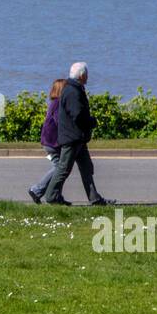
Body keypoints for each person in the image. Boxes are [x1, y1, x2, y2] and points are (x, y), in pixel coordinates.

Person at [43, 62, 114, 206]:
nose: (87, 76)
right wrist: (92, 122)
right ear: (82, 75)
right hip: (72, 138)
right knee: (64, 169)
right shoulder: (72, 91)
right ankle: (51, 196)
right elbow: (78, 115)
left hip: (78, 138)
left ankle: (94, 199)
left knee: (87, 168)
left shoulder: (74, 88)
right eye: (86, 74)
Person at [28, 78, 67, 203]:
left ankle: (56, 197)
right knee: (59, 168)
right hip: (52, 142)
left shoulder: (55, 103)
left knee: (60, 169)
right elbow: (59, 122)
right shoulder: (58, 104)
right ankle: (37, 189)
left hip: (50, 141)